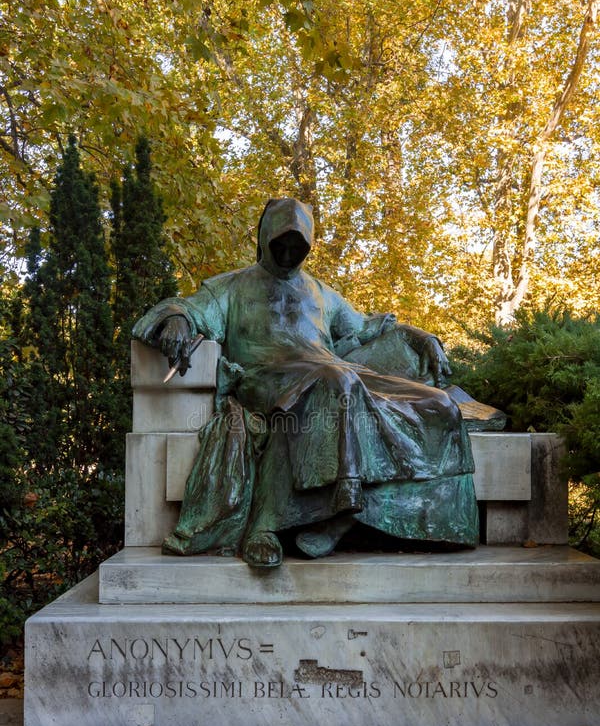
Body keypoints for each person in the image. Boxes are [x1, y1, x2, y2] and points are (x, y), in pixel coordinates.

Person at [133, 197, 479, 568]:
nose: (286, 253)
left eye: (296, 246)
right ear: (264, 238)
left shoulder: (320, 293)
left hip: (329, 373)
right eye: (279, 243)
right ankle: (303, 518)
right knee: (336, 381)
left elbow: (366, 327)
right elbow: (186, 307)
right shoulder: (230, 288)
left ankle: (387, 519)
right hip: (264, 377)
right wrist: (176, 321)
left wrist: (419, 337)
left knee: (439, 403)